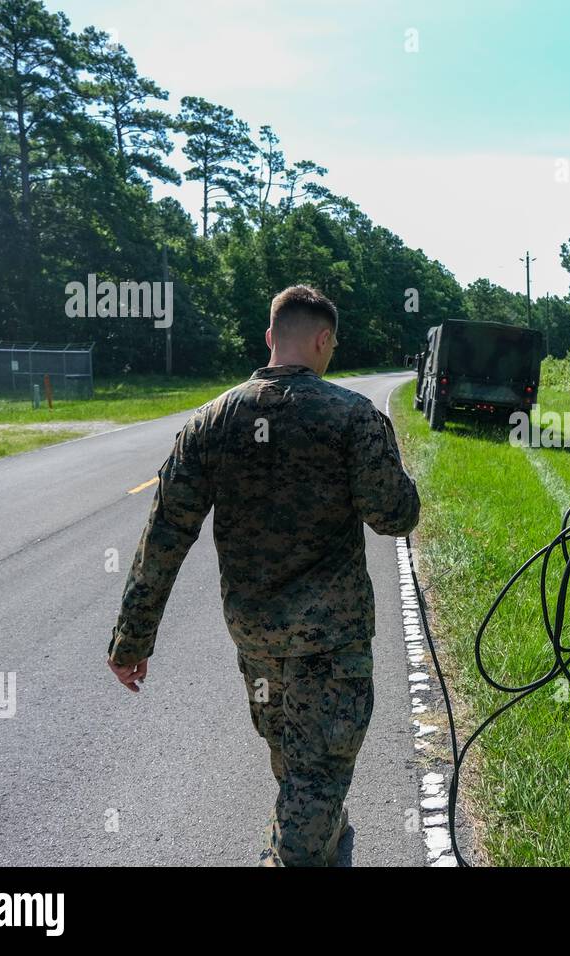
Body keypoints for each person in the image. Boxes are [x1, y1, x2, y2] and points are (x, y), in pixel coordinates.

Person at [106, 284, 420, 866]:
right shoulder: (353, 418)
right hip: (331, 640)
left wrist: (132, 639)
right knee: (316, 774)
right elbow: (395, 515)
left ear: (271, 338)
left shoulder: (211, 422)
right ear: (323, 341)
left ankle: (318, 828)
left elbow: (165, 535)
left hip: (254, 639)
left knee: (294, 760)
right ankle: (300, 845)